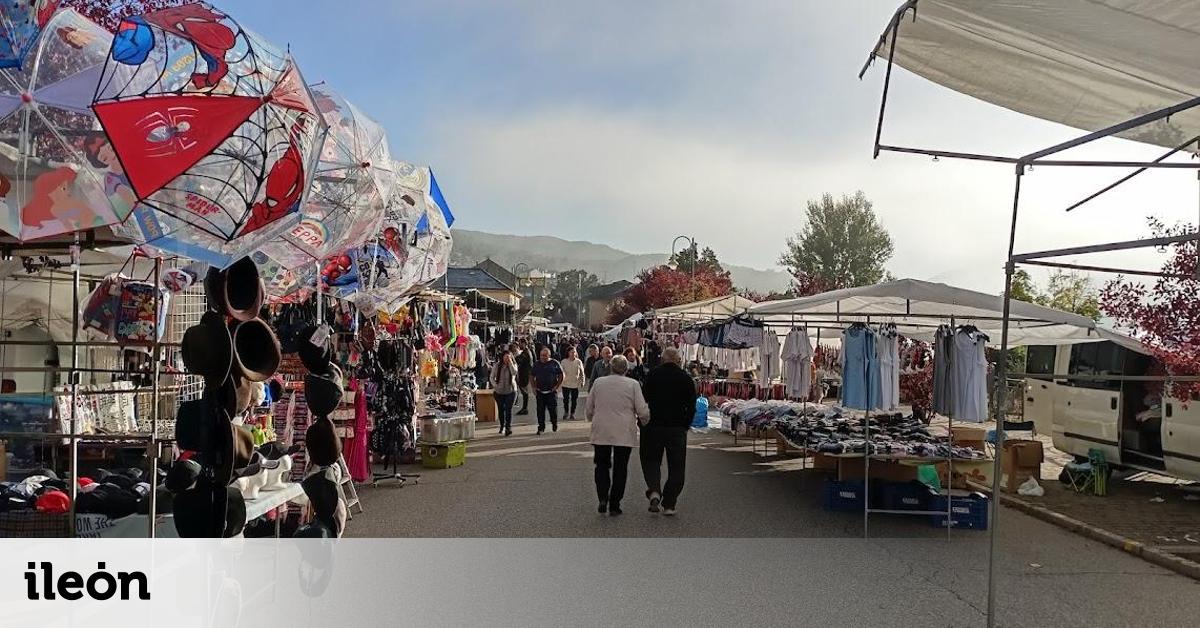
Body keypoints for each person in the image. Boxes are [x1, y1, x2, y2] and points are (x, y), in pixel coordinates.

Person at [586, 355, 649, 516]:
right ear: (626, 369)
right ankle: (615, 503)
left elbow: (589, 405)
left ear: (610, 368)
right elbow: (642, 409)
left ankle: (602, 497)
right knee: (621, 467)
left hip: (602, 429)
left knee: (601, 464)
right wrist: (645, 421)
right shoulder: (633, 384)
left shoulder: (599, 383)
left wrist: (591, 417)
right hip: (624, 430)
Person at [640, 347, 696, 516]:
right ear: (678, 360)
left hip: (654, 425)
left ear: (662, 359)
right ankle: (670, 503)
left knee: (651, 460)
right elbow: (692, 406)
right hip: (677, 427)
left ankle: (655, 490)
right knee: (677, 466)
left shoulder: (653, 375)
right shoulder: (685, 378)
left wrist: (642, 422)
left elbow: (644, 399)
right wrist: (685, 424)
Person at [530, 347, 564, 434]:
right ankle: (541, 427)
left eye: (545, 356)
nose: (542, 357)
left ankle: (554, 423)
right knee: (540, 411)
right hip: (540, 391)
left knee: (553, 410)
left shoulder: (554, 363)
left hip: (551, 392)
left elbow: (561, 374)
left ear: (549, 355)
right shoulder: (536, 364)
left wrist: (557, 386)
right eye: (541, 355)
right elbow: (531, 376)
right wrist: (533, 387)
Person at [491, 352, 519, 436]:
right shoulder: (497, 366)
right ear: (502, 357)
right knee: (501, 410)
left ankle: (508, 427)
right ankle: (502, 425)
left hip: (510, 391)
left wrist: (510, 363)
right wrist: (495, 386)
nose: (507, 359)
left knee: (508, 409)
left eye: (509, 357)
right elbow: (492, 377)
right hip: (499, 392)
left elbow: (514, 373)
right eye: (505, 357)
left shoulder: (513, 365)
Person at [559, 347, 586, 420]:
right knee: (566, 399)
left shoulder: (578, 362)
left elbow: (582, 373)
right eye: (571, 352)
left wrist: (582, 381)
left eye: (574, 352)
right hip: (566, 383)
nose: (573, 353)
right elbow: (560, 373)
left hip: (575, 383)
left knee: (574, 400)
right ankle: (566, 412)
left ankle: (572, 413)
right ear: (568, 353)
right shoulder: (564, 361)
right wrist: (559, 381)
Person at [515, 341, 533, 415]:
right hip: (525, 373)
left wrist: (516, 357)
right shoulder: (526, 352)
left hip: (524, 374)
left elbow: (518, 360)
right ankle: (524, 408)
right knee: (524, 391)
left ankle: (525, 408)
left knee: (524, 391)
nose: (519, 345)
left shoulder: (526, 352)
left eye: (521, 344)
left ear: (525, 344)